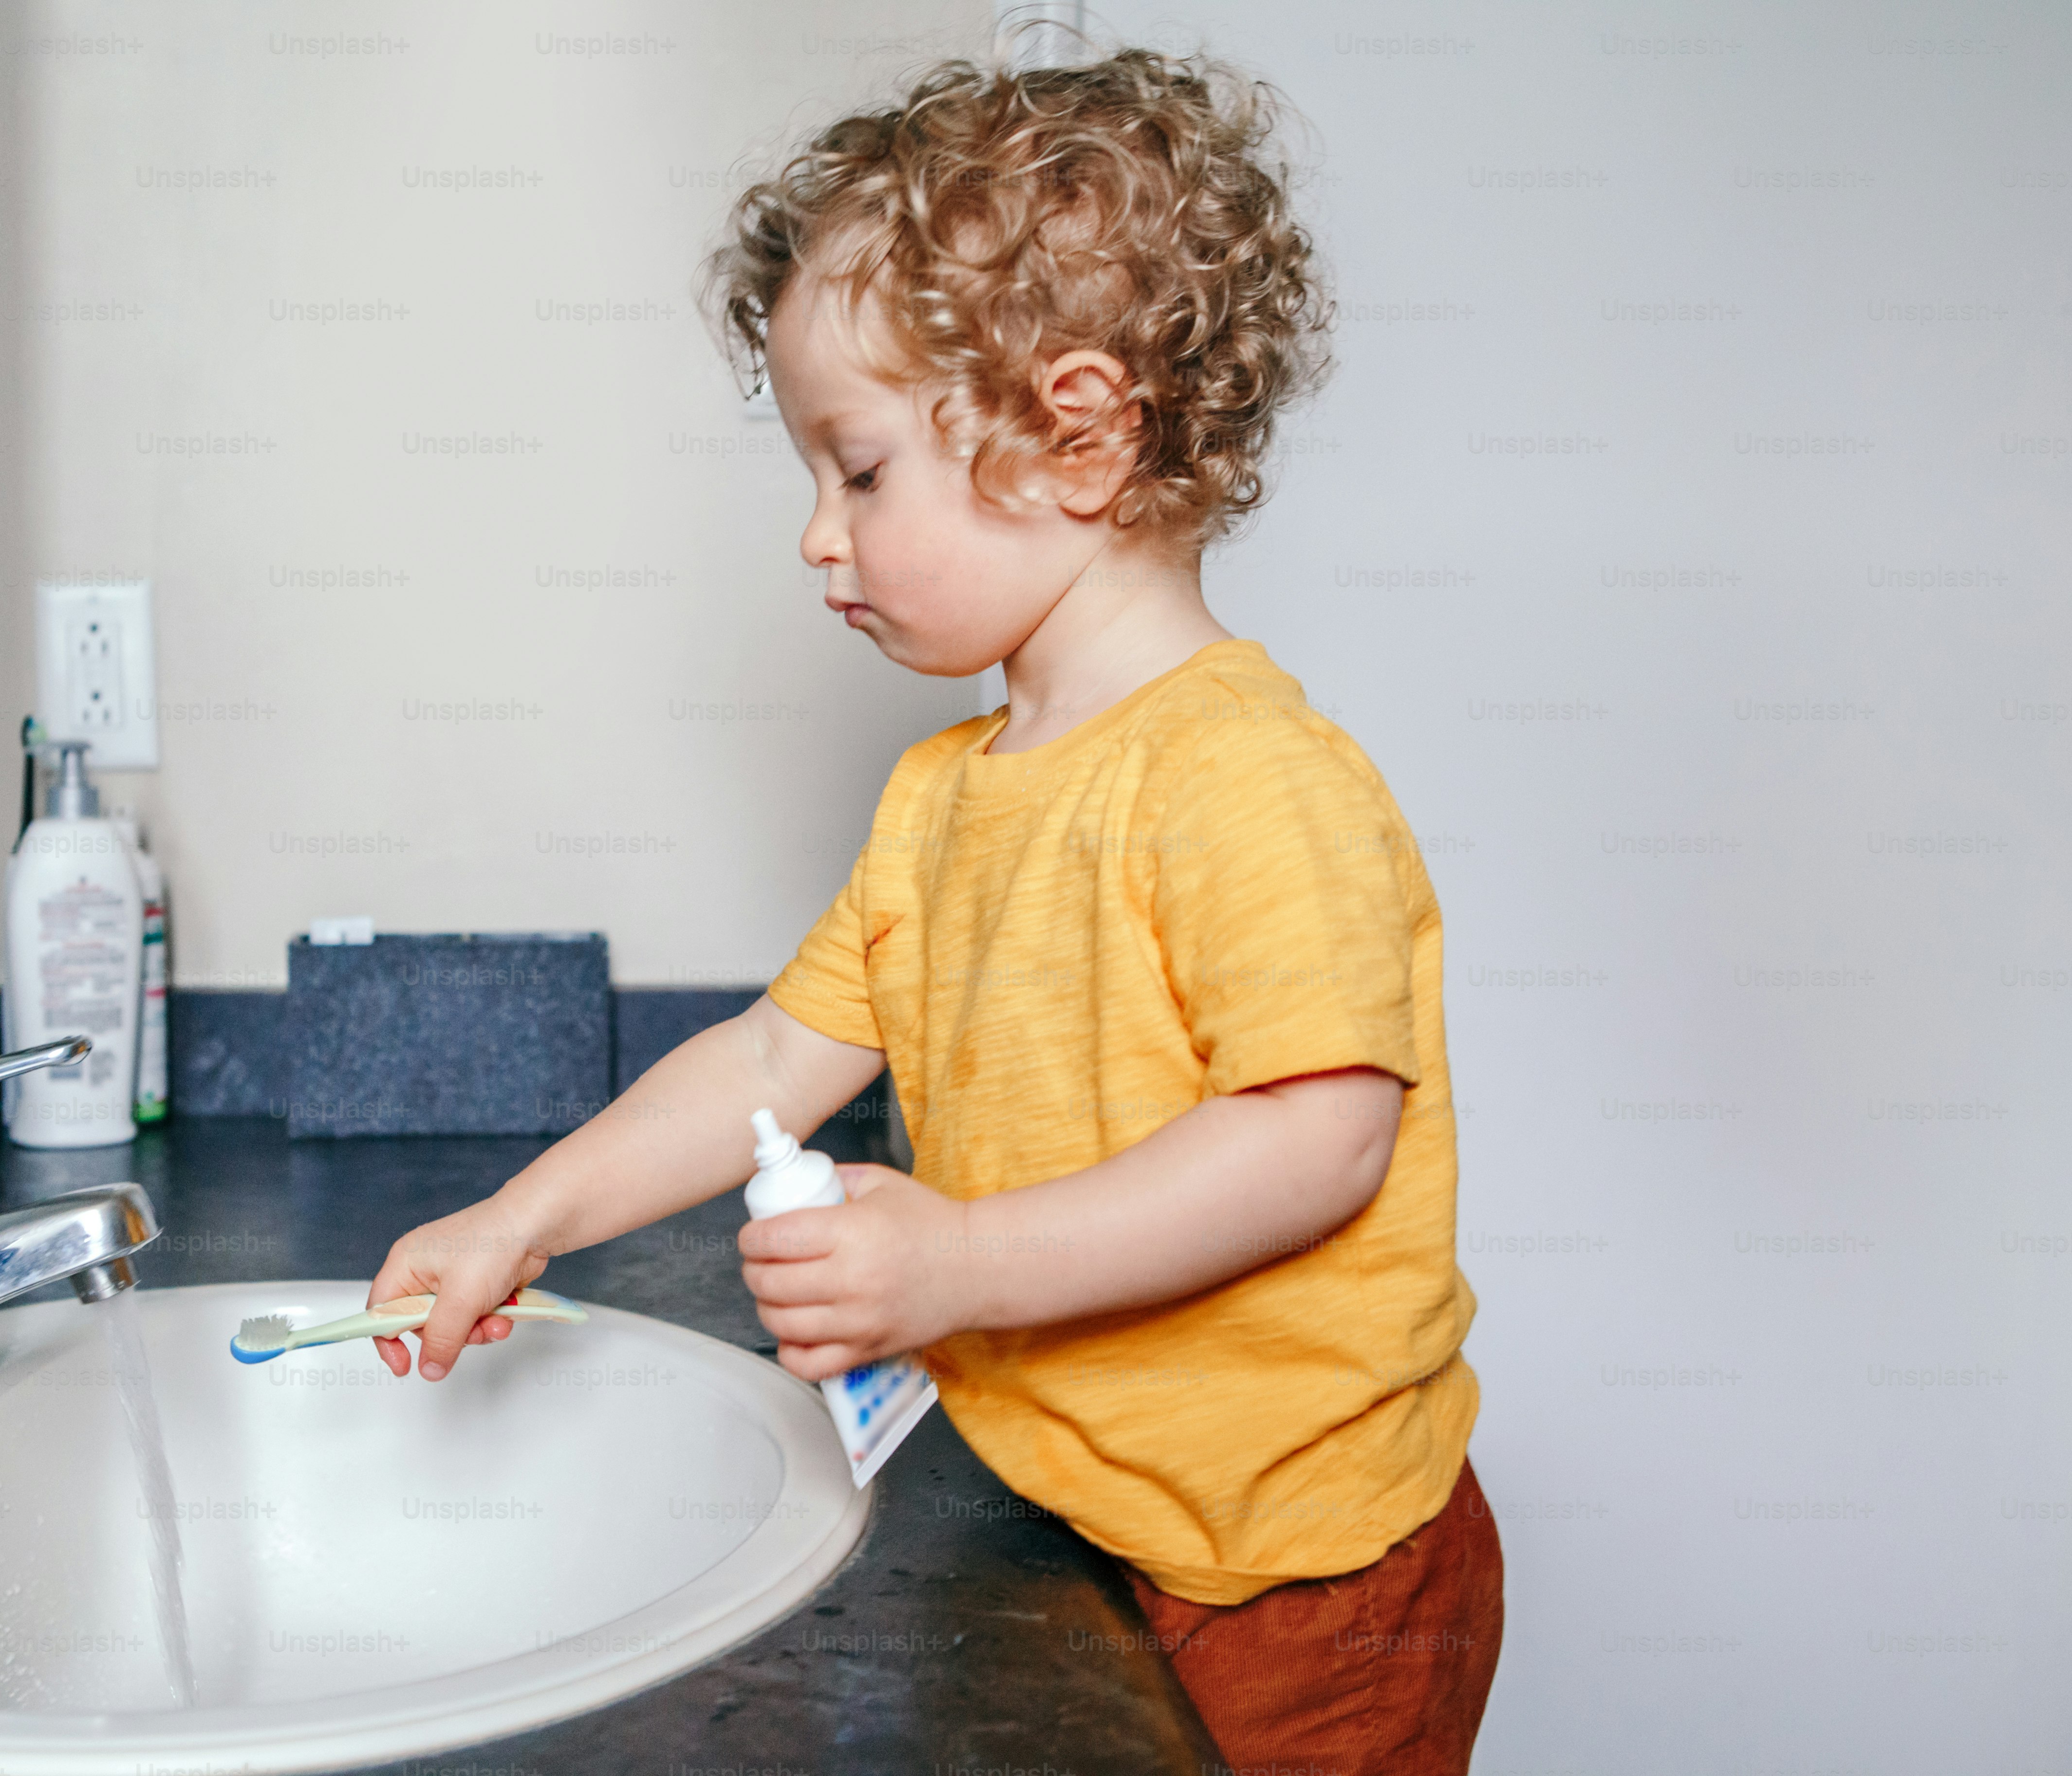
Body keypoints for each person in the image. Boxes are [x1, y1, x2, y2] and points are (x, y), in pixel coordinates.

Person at [367, 47, 1501, 1774]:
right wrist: (525, 1217)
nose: (819, 540)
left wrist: (958, 1262)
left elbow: (1319, 1138)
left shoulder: (1246, 776)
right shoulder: (944, 798)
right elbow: (768, 1051)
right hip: (1099, 1535)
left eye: (861, 469)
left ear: (1082, 433)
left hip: (1303, 1580)